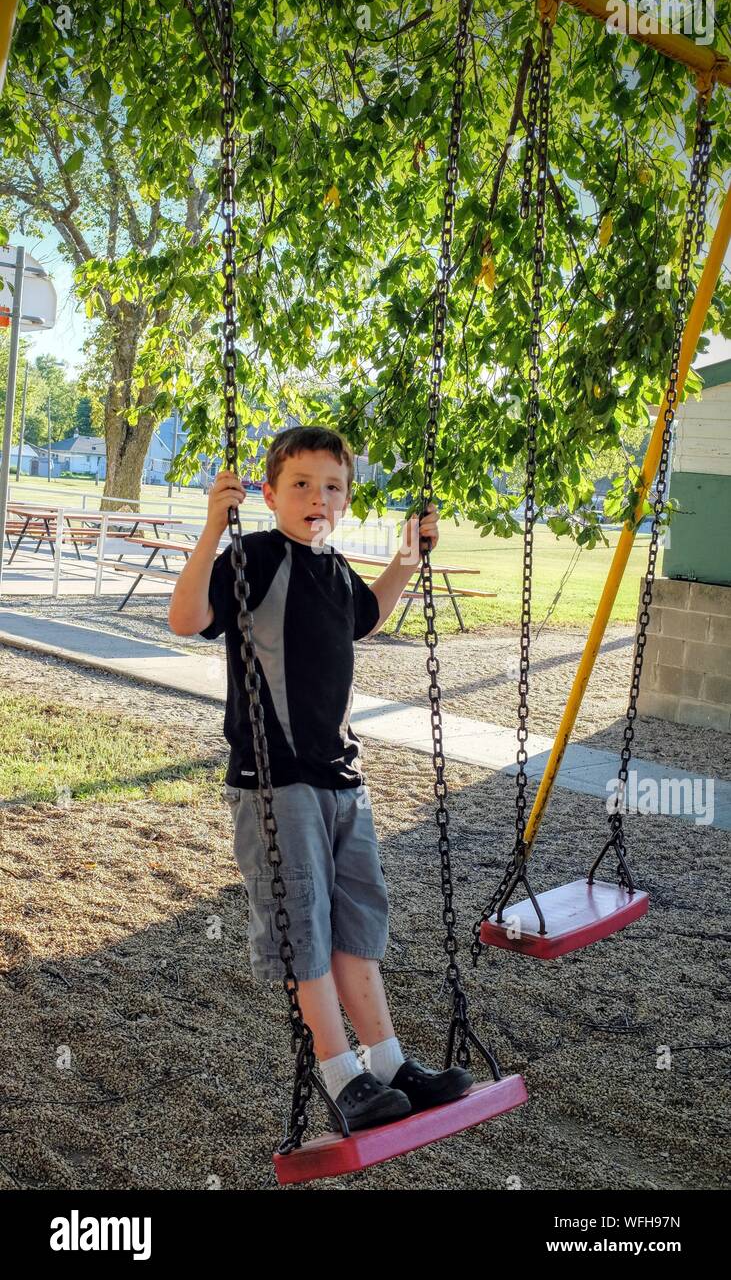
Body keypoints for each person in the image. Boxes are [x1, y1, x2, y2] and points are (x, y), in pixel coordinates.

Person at [168, 425, 473, 1129]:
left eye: (331, 487)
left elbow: (365, 617)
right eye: (300, 484)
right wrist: (213, 528)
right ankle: (341, 1078)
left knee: (357, 923)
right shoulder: (253, 556)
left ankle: (389, 1063)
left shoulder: (332, 568)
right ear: (269, 493)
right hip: (277, 780)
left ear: (344, 500)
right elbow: (186, 619)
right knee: (301, 923)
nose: (317, 497)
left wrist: (407, 553)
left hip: (341, 776)